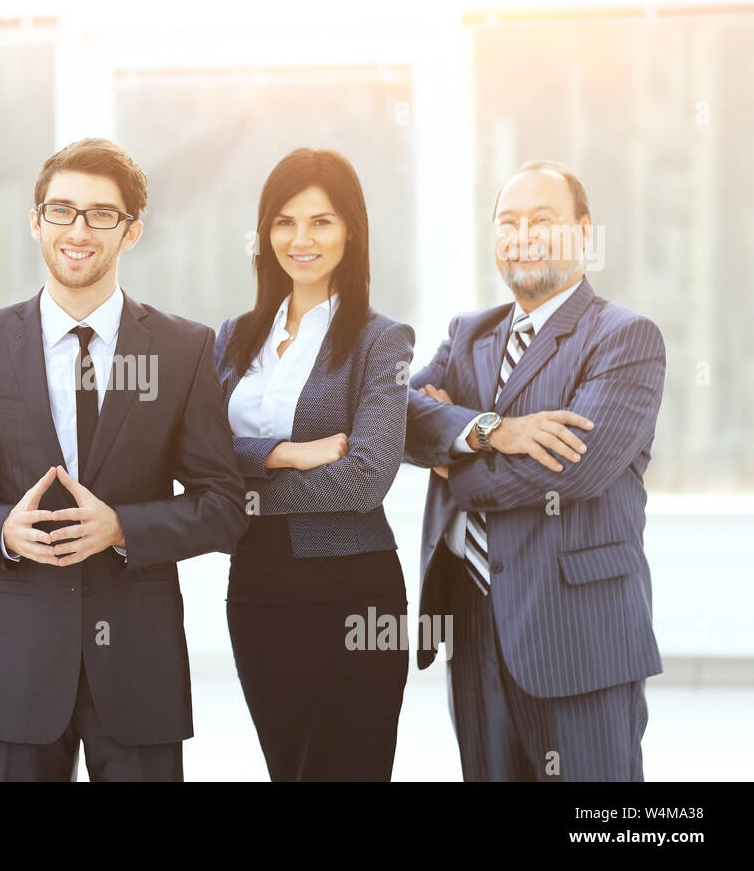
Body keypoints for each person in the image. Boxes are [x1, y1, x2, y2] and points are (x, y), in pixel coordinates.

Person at [0, 137, 247, 781]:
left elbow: (225, 505)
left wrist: (124, 527)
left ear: (131, 232)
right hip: (19, 663)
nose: (79, 229)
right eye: (62, 210)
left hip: (138, 664)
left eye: (102, 214)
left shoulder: (183, 349)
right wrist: (0, 530)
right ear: (36, 222)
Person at [405, 159, 665, 781]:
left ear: (584, 231)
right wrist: (494, 431)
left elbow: (572, 471)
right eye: (509, 221)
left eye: (542, 220)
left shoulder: (622, 337)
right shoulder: (469, 335)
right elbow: (395, 415)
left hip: (578, 635)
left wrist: (456, 465)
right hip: (471, 626)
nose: (524, 235)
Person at [213, 148, 414, 781]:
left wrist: (239, 494)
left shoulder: (382, 341)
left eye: (322, 221)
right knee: (289, 770)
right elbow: (198, 461)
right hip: (258, 591)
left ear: (351, 231)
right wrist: (283, 454)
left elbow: (364, 480)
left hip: (355, 591)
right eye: (285, 222)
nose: (301, 239)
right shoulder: (231, 337)